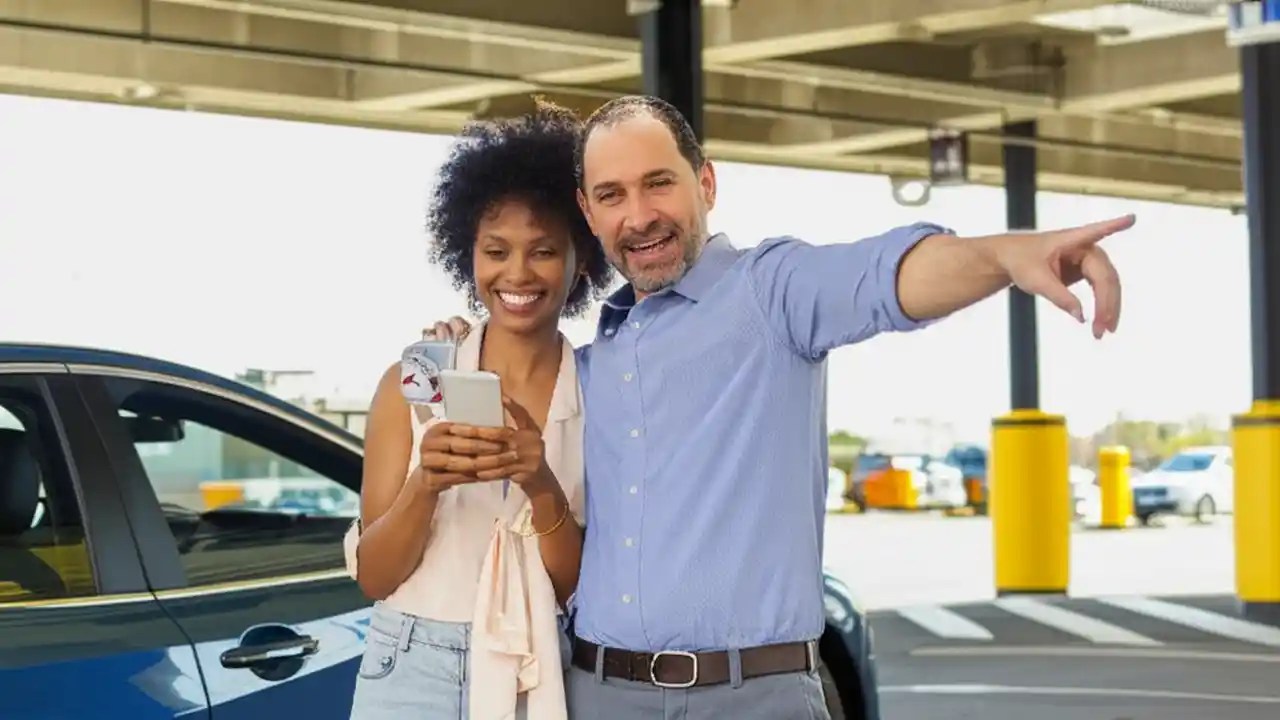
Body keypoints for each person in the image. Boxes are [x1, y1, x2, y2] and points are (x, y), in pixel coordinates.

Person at [429, 94, 1132, 719]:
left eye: (659, 184)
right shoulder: (591, 363)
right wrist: (463, 344)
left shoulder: (771, 293)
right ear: (588, 211)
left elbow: (885, 275)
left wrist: (1007, 255)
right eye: (611, 194)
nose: (638, 216)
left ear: (705, 183)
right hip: (600, 693)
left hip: (754, 698)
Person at [343, 100, 612, 720]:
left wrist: (540, 483)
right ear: (468, 253)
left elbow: (579, 591)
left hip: (541, 663)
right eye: (496, 250)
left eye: (544, 250)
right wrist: (426, 484)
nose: (517, 273)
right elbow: (375, 579)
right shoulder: (415, 381)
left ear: (583, 260)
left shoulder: (605, 395)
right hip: (409, 663)